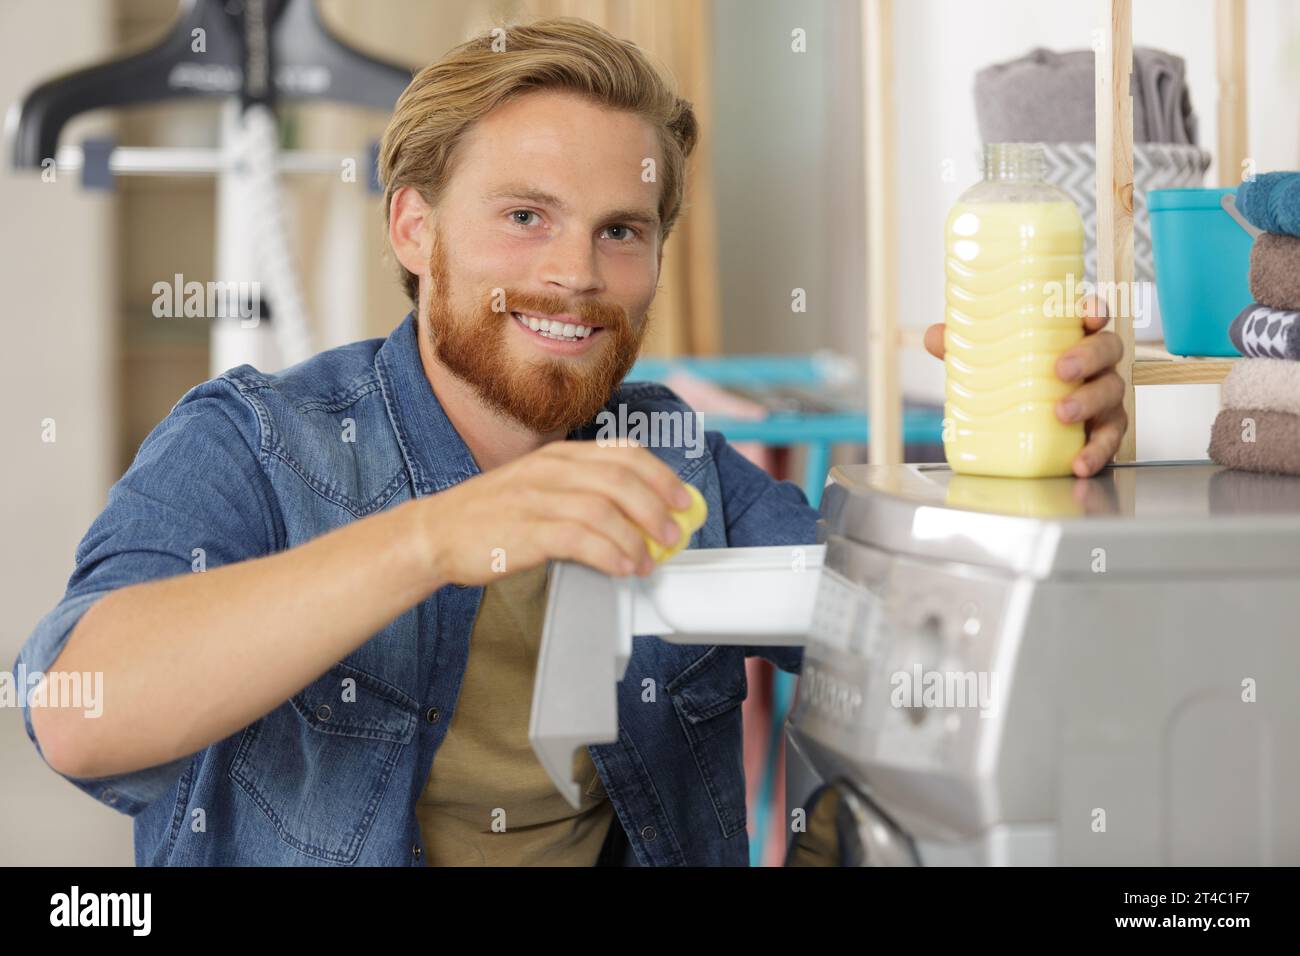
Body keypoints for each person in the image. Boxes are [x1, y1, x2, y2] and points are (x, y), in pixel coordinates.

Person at [15, 16, 1126, 867]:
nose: (576, 275)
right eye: (524, 215)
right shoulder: (256, 441)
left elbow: (938, 652)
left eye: (621, 232)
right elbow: (75, 710)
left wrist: (1042, 454)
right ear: (414, 225)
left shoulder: (678, 460)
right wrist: (431, 538)